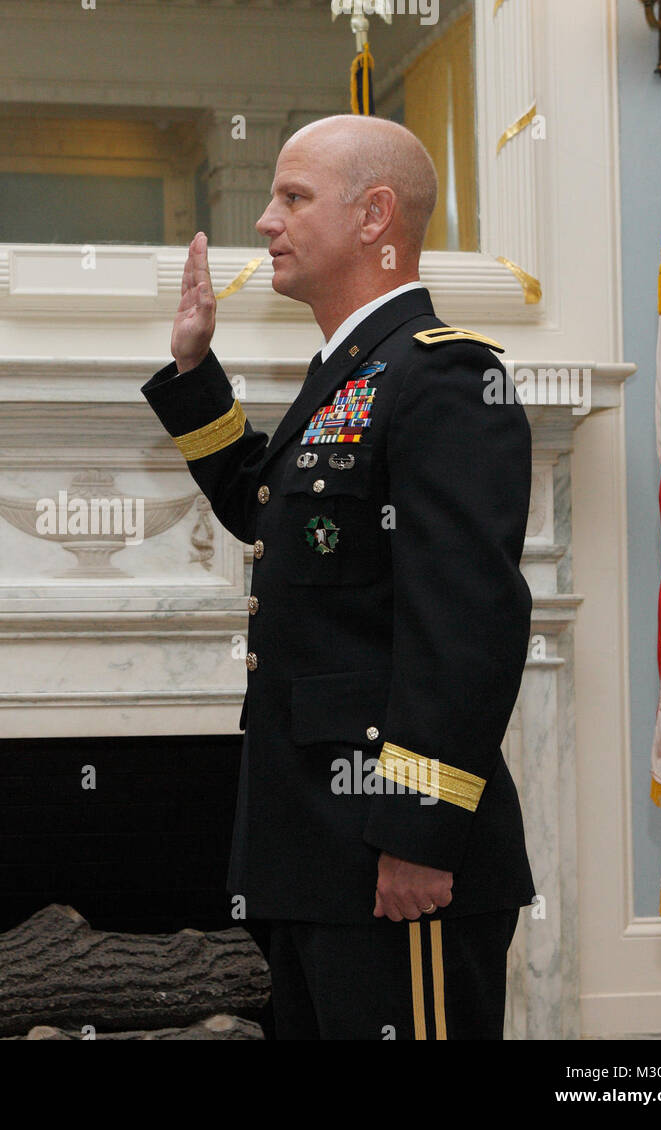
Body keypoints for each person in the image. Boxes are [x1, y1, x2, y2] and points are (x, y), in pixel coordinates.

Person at [142, 115, 534, 1039]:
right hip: (314, 852)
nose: (265, 221)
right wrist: (194, 370)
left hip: (398, 859)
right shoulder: (352, 373)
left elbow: (468, 626)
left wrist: (419, 834)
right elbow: (270, 514)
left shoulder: (443, 377)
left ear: (374, 216)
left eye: (294, 197)